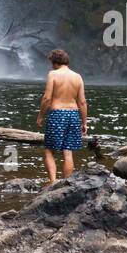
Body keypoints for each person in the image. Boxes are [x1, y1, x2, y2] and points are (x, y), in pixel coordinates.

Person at [36, 49, 87, 184]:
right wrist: (84, 122)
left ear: (55, 62)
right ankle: (66, 183)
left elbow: (47, 98)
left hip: (57, 114)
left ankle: (53, 182)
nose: (51, 65)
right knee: (68, 151)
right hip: (73, 114)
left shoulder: (53, 74)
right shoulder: (78, 77)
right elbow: (82, 102)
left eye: (52, 62)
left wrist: (41, 116)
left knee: (49, 151)